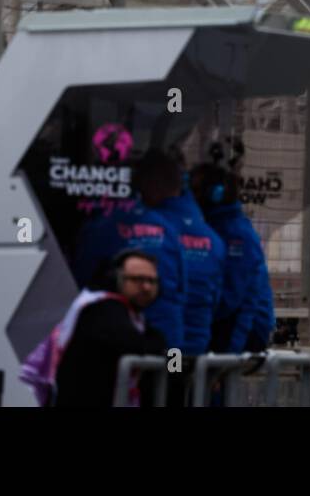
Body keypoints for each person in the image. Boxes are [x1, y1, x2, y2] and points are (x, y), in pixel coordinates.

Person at [73, 149, 187, 351]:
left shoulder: (101, 226)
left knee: (127, 379)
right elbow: (182, 286)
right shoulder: (168, 229)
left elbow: (81, 280)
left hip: (123, 338)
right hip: (170, 339)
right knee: (171, 378)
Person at [53, 251, 168, 407]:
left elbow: (164, 347)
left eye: (152, 281)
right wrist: (173, 357)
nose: (146, 287)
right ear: (116, 279)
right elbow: (139, 346)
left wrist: (184, 366)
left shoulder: (133, 315)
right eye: (137, 280)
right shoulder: (101, 307)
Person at [190, 161, 275, 354]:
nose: (191, 197)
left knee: (181, 359)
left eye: (195, 190)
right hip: (219, 327)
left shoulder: (236, 235)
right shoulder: (215, 228)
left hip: (241, 332)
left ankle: (178, 375)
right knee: (177, 359)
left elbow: (234, 298)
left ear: (215, 193)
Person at [155, 171, 226, 357]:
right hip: (197, 342)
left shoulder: (157, 227)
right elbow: (217, 296)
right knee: (179, 380)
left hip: (168, 343)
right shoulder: (213, 238)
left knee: (169, 379)